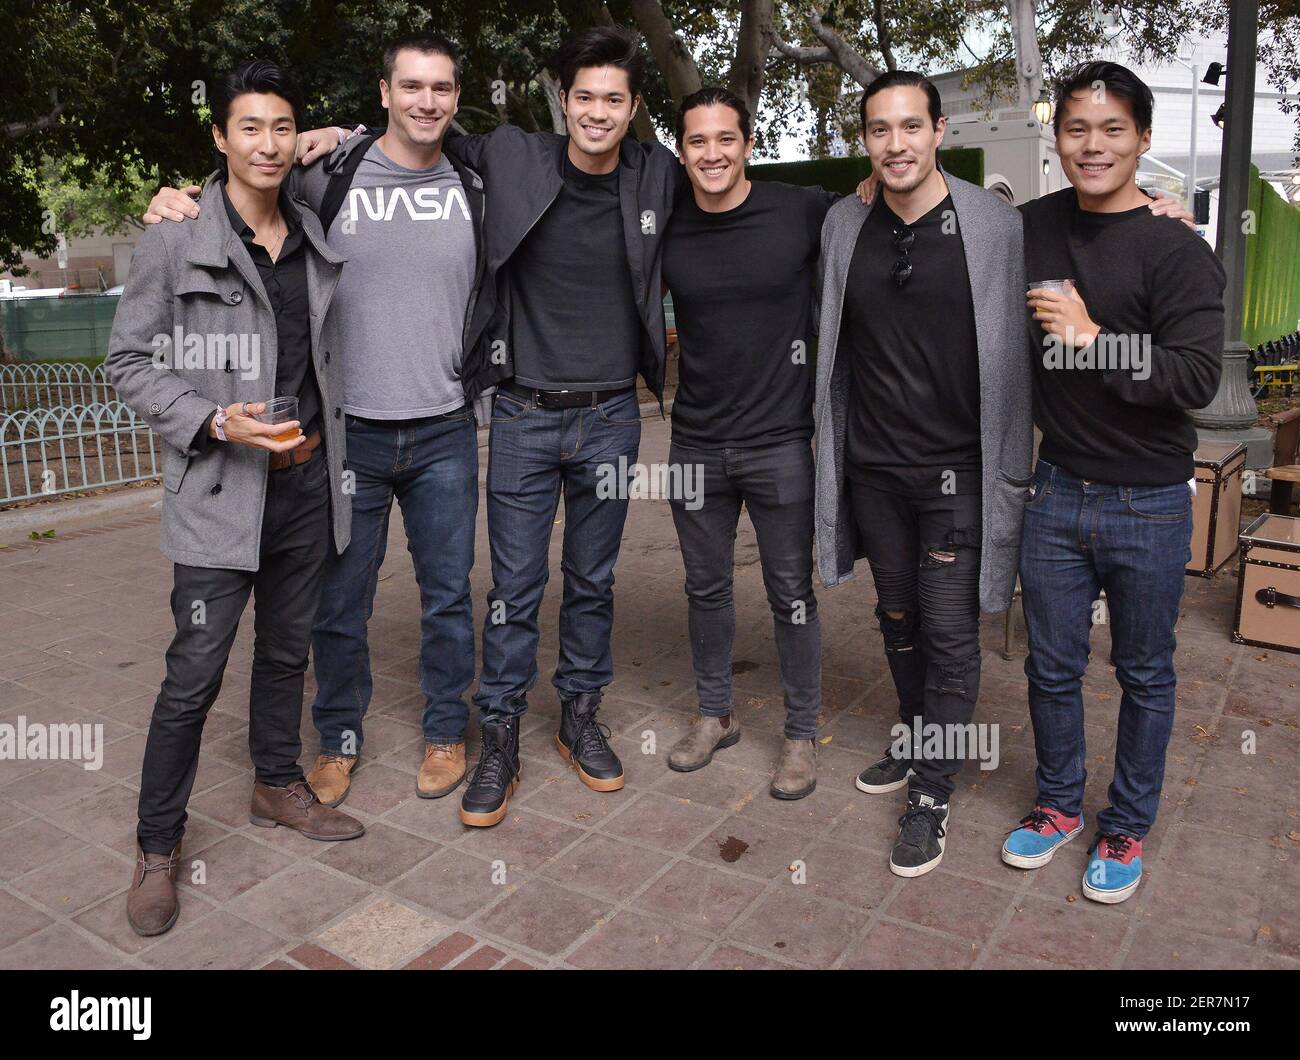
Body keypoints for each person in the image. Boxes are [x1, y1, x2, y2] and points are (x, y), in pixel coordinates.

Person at [296, 25, 683, 826]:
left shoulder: (659, 174)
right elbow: (419, 129)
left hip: (613, 416)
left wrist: (853, 197)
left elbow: (738, 194)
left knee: (593, 580)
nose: (599, 112)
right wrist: (344, 133)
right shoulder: (514, 158)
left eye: (615, 99)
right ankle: (498, 733)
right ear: (563, 102)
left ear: (634, 107)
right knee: (510, 587)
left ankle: (580, 715)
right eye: (585, 97)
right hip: (520, 415)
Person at [143, 34, 489, 807]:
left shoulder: (477, 178)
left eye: (441, 88)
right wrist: (178, 202)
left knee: (446, 592)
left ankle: (443, 730)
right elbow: (244, 194)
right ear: (383, 91)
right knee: (341, 601)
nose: (426, 100)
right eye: (410, 85)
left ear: (456, 98)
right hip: (347, 432)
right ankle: (336, 738)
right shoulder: (326, 172)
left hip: (444, 429)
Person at [109, 60, 363, 938]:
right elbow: (128, 363)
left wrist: (337, 134)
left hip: (305, 486)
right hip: (220, 491)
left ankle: (275, 783)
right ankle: (155, 846)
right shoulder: (175, 238)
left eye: (284, 127)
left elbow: (397, 131)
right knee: (193, 677)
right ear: (219, 138)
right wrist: (214, 419)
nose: (268, 143)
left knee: (289, 656)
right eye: (248, 127)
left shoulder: (313, 225)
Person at [1003, 61, 1224, 904]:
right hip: (1055, 490)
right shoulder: (1031, 227)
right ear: (1056, 137)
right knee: (1051, 668)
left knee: (1145, 671)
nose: (1092, 146)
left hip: (1151, 500)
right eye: (1075, 129)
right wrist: (876, 194)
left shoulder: (1176, 249)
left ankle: (1125, 823)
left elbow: (1197, 375)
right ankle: (1059, 805)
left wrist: (1097, 340)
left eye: (1111, 130)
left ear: (1142, 139)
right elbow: (945, 220)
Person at [813, 71, 1033, 878]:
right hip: (873, 469)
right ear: (864, 141)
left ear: (940, 130)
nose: (896, 143)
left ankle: (934, 791)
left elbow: (1078, 225)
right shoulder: (845, 223)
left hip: (959, 474)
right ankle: (917, 739)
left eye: (911, 126)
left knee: (948, 632)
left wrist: (1159, 210)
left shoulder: (994, 224)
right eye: (880, 129)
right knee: (897, 621)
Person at [661, 87, 835, 798]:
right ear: (682, 150)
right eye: (697, 141)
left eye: (725, 139)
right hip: (696, 440)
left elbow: (882, 205)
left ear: (748, 145)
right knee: (705, 588)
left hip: (780, 441)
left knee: (791, 590)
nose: (712, 153)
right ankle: (714, 713)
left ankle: (800, 732)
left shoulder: (801, 210)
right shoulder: (666, 227)